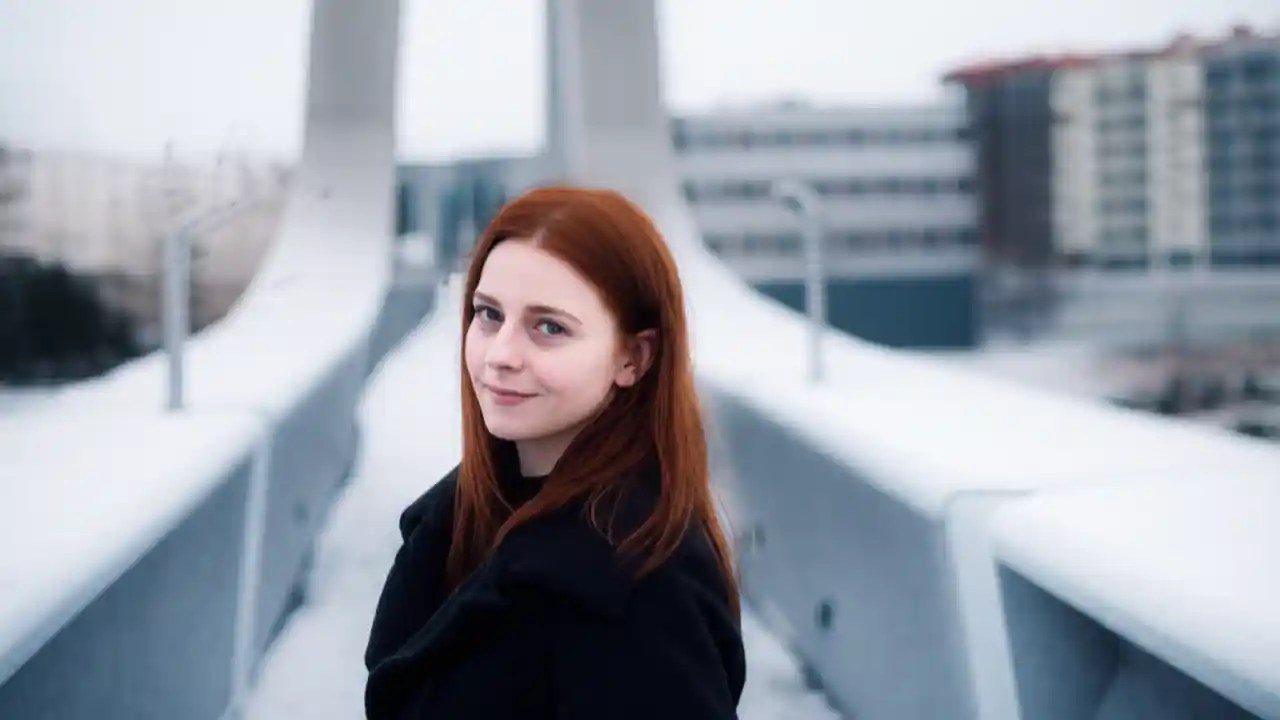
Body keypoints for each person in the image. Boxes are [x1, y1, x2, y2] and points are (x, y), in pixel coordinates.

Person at [364, 185, 746, 718]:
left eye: (549, 327)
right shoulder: (461, 523)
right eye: (488, 314)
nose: (500, 355)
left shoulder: (636, 588)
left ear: (633, 358)